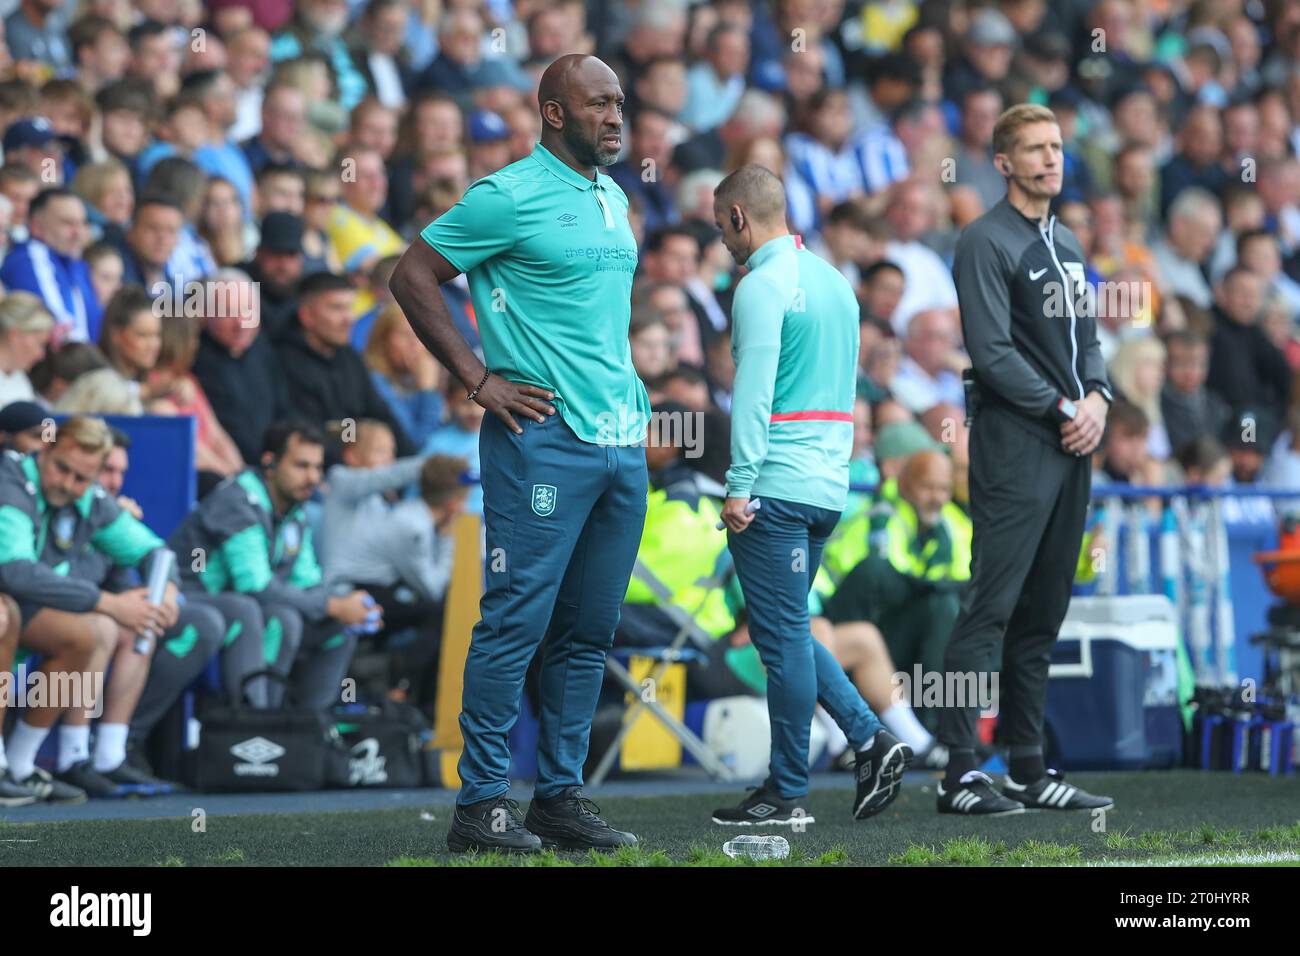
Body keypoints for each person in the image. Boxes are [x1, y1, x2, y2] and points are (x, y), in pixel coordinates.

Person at [390, 54, 647, 854]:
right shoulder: (506, 195)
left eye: (619, 103)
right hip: (541, 440)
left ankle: (561, 797)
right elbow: (413, 275)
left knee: (589, 631)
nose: (614, 116)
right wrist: (476, 377)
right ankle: (482, 804)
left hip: (621, 444)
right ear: (554, 112)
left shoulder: (613, 195)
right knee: (515, 623)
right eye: (598, 103)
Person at [708, 163, 906, 827]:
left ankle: (789, 791)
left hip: (773, 487)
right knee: (787, 631)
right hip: (828, 486)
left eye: (722, 227)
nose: (724, 243)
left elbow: (753, 392)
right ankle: (869, 738)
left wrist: (739, 485)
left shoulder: (761, 286)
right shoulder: (836, 284)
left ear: (739, 217)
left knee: (781, 637)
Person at [939, 103, 1114, 815]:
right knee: (991, 605)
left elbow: (1090, 342)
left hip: (1073, 439)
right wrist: (1067, 408)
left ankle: (1027, 768)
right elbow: (991, 354)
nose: (1051, 158)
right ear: (1003, 163)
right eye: (1035, 149)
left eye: (1057, 147)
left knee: (1045, 608)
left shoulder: (1068, 241)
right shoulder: (984, 241)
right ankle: (956, 774)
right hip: (1017, 441)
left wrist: (1099, 396)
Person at [0, 415, 183, 803]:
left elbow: (154, 550)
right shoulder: (11, 475)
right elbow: (13, 571)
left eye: (81, 478)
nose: (67, 484)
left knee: (96, 630)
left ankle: (20, 764)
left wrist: (164, 587)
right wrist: (108, 602)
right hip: (9, 602)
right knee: (10, 617)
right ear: (44, 450)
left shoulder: (91, 499)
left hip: (20, 607)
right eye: (61, 468)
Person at [167, 419, 377, 709]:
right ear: (270, 462)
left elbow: (307, 581)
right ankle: (257, 724)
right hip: (189, 595)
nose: (313, 478)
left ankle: (308, 730)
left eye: (318, 467)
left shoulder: (295, 511)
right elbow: (255, 586)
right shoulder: (238, 501)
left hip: (240, 604)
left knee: (339, 628)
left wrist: (346, 607)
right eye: (301, 466)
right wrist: (333, 605)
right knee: (272, 614)